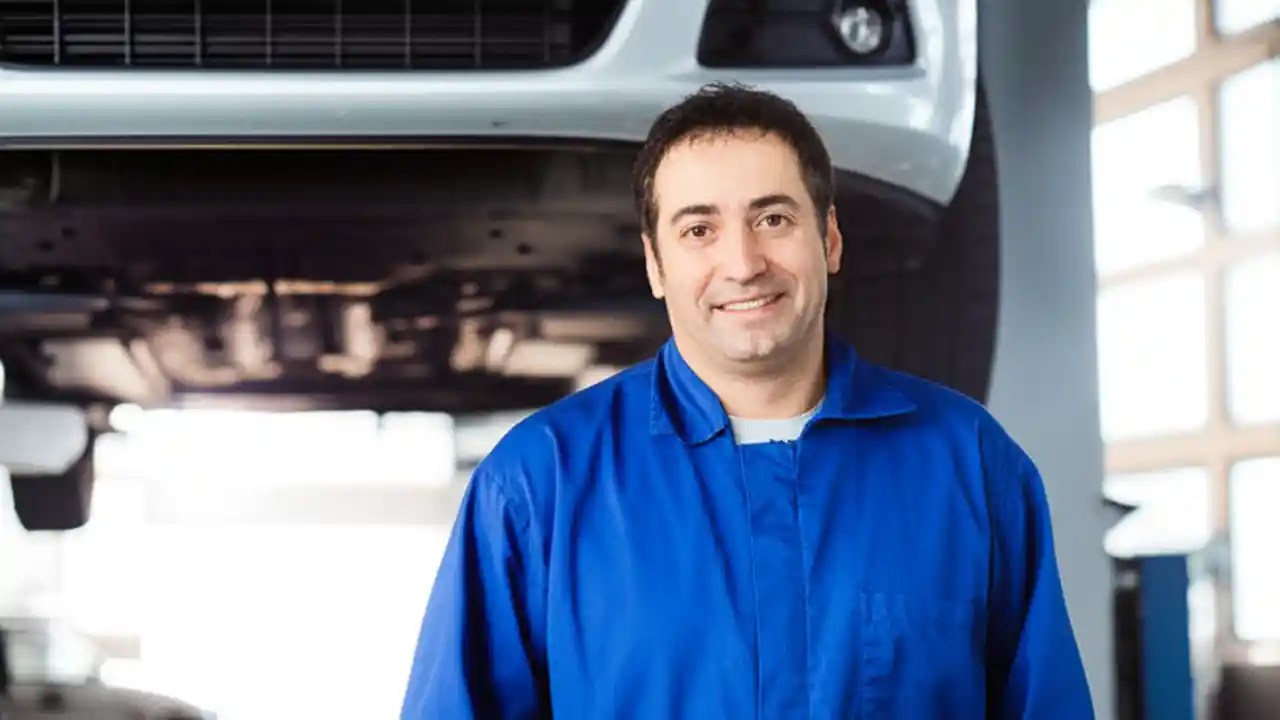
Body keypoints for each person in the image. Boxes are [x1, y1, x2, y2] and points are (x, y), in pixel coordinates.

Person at [401, 82, 1094, 719]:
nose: (742, 262)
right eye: (699, 229)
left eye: (772, 219)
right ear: (655, 263)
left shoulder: (968, 463)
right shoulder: (540, 482)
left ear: (829, 238)